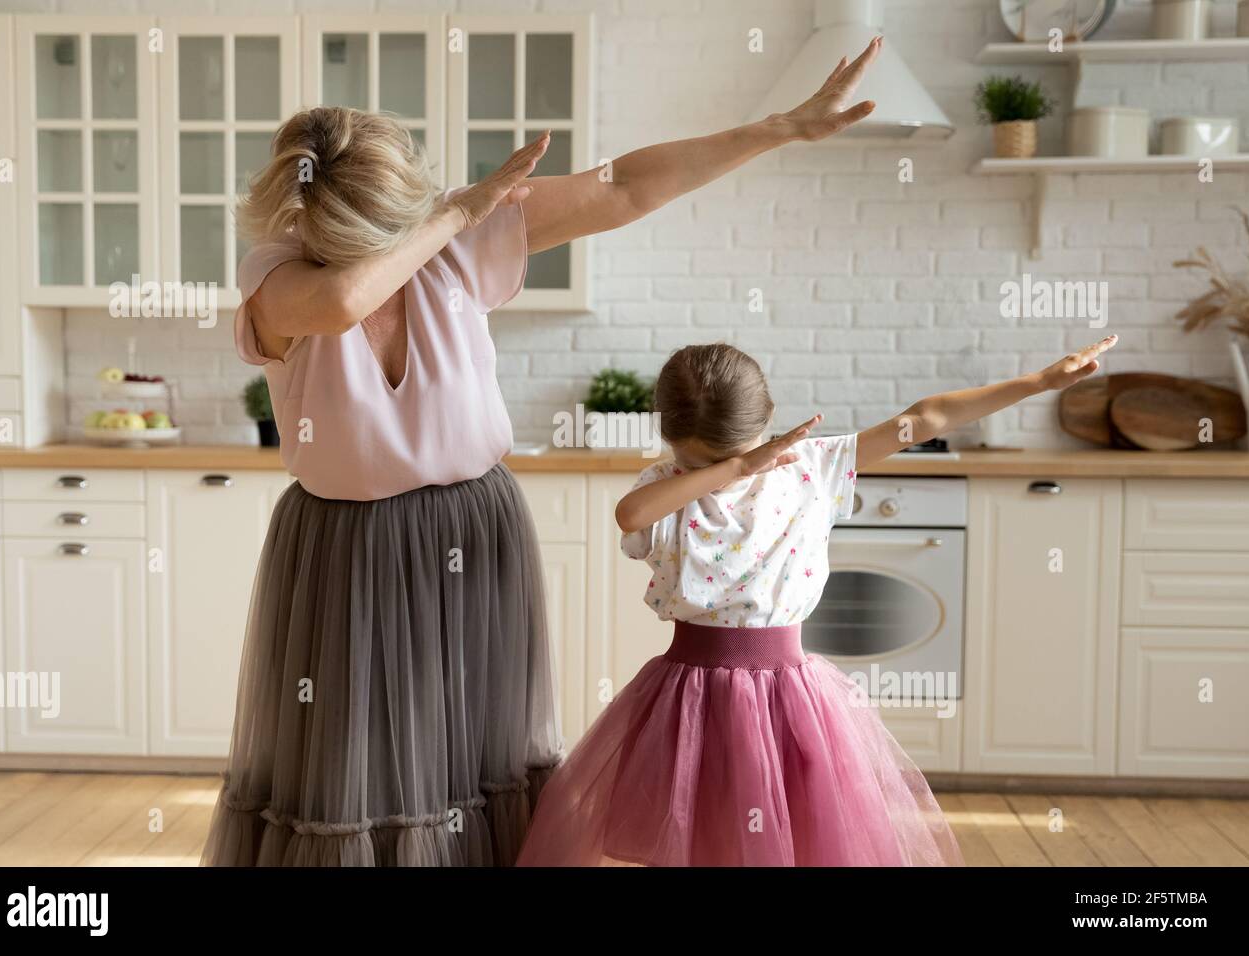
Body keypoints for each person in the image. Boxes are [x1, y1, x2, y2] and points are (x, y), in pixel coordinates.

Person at [201, 38, 891, 866]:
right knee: (357, 762)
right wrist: (454, 215)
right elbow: (346, 299)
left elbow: (626, 186)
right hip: (347, 545)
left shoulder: (458, 242)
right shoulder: (279, 277)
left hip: (472, 528)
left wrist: (779, 127)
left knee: (473, 754)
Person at [518, 335, 1118, 866]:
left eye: (729, 457)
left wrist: (1038, 382)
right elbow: (630, 515)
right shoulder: (665, 490)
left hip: (788, 695)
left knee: (789, 836)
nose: (727, 472)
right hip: (691, 696)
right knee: (694, 836)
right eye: (704, 462)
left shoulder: (812, 464)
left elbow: (925, 417)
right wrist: (735, 466)